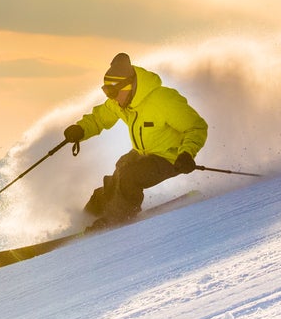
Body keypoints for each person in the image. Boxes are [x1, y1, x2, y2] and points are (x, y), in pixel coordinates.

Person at [64, 53, 208, 228]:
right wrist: (81, 130)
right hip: (144, 153)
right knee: (119, 170)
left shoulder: (163, 100)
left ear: (129, 85)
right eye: (106, 91)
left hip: (172, 157)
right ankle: (83, 221)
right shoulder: (120, 102)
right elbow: (99, 118)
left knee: (129, 176)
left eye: (113, 92)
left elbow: (196, 127)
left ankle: (117, 219)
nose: (111, 97)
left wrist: (187, 153)